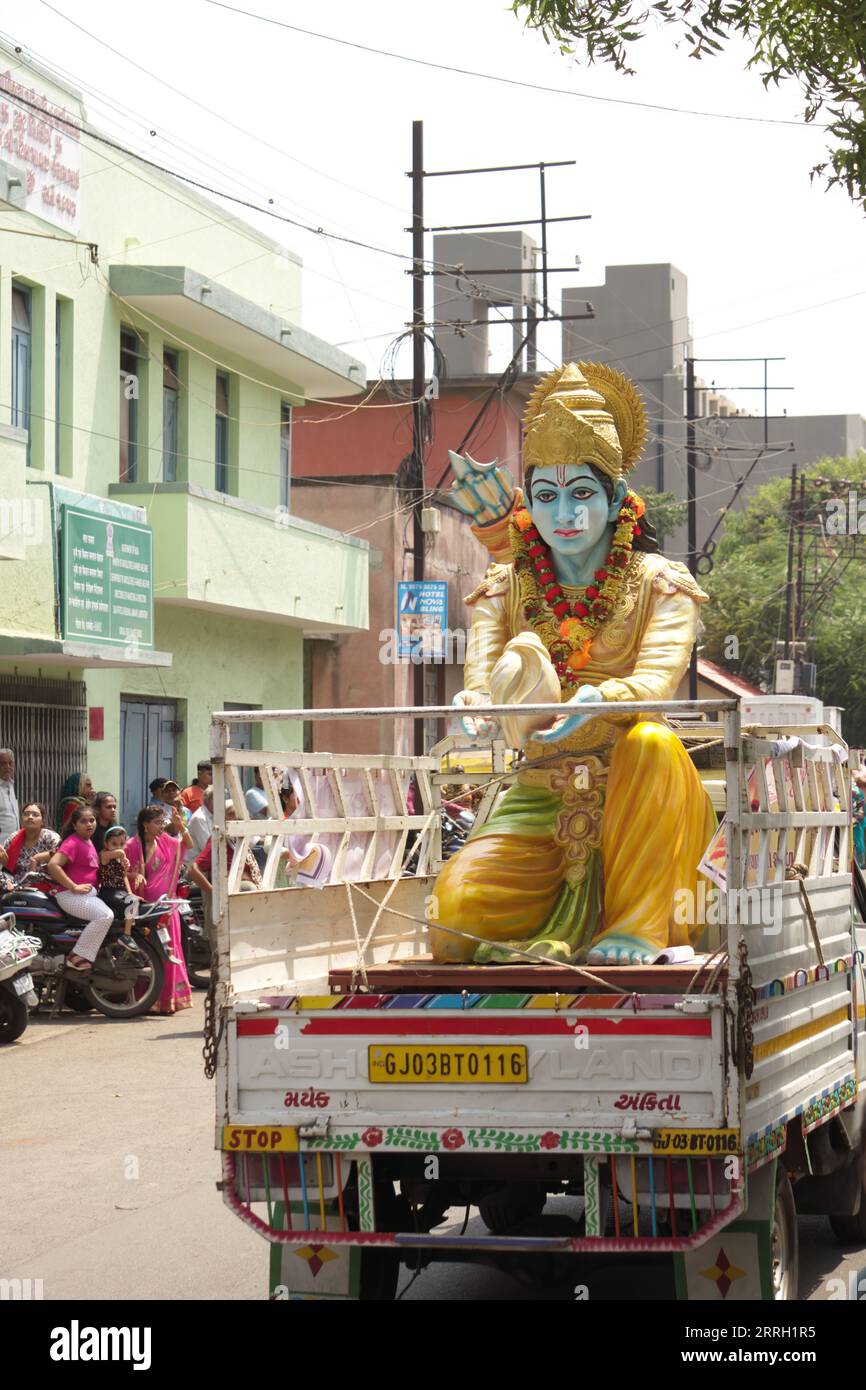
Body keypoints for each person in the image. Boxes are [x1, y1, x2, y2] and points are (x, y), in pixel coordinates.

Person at [431, 361, 715, 967]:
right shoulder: (506, 586)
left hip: (640, 794)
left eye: (583, 493)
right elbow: (480, 680)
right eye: (547, 495)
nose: (566, 513)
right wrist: (477, 707)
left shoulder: (661, 583)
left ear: (616, 501)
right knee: (454, 922)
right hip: (540, 791)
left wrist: (599, 699)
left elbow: (657, 683)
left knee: (651, 741)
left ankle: (639, 927)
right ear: (529, 504)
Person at [125, 803, 193, 1013]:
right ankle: (148, 1000)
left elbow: (187, 845)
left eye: (162, 822)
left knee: (170, 951)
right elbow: (123, 872)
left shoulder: (165, 841)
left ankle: (168, 1000)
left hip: (166, 907)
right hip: (146, 909)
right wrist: (134, 876)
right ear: (145, 825)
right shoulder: (131, 845)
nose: (161, 826)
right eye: (157, 822)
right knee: (150, 954)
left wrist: (180, 826)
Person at [45, 805, 115, 971]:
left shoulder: (88, 841)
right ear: (75, 825)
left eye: (92, 820)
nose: (89, 824)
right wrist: (73, 886)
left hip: (87, 896)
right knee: (105, 915)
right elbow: (53, 865)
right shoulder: (72, 842)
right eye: (83, 821)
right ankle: (77, 955)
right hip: (70, 896)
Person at [98, 826, 139, 953]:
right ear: (106, 843)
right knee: (132, 902)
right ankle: (126, 936)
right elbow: (119, 853)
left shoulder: (119, 858)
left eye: (122, 843)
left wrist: (131, 893)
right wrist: (122, 856)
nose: (118, 847)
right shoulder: (104, 855)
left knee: (135, 902)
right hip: (108, 891)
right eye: (114, 844)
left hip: (120, 891)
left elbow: (124, 877)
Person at [0, 802, 60, 887]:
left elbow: (62, 857)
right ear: (21, 820)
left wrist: (38, 858)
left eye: (35, 815)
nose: (30, 817)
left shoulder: (51, 838)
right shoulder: (13, 838)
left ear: (42, 821)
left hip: (46, 886)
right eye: (26, 814)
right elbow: (7, 869)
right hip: (16, 886)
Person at [185, 785, 214, 864]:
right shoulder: (200, 818)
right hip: (192, 863)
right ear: (208, 800)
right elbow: (207, 848)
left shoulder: (215, 814)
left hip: (206, 860)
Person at [0, 749, 19, 837]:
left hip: (13, 842)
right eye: (3, 763)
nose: (7, 767)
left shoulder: (11, 785)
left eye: (10, 763)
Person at [853, 769, 866, 869]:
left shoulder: (857, 791)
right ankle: (861, 863)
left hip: (858, 820)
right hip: (859, 820)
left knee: (859, 841)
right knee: (860, 840)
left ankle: (861, 863)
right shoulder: (858, 791)